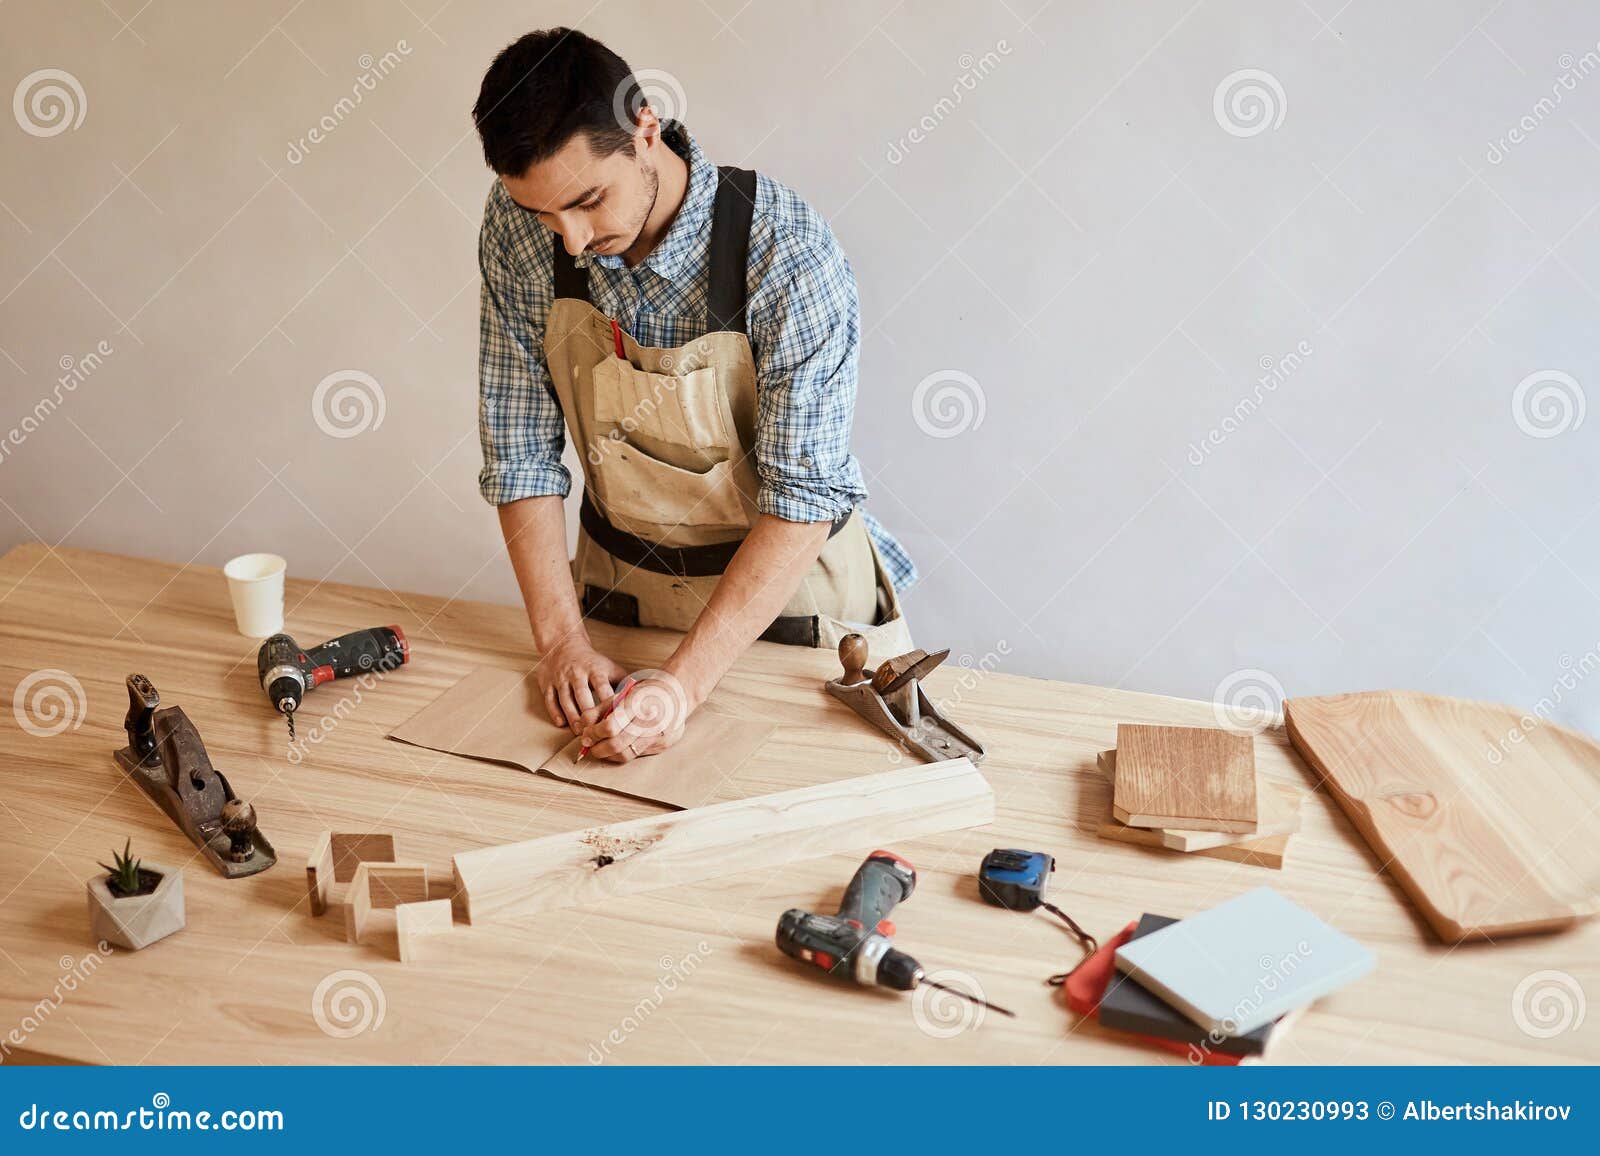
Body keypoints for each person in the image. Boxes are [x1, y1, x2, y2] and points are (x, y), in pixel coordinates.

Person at [472, 28, 915, 763]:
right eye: (545, 216)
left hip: (794, 610)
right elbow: (518, 452)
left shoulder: (786, 252)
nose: (571, 242)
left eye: (587, 202)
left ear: (645, 128)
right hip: (622, 596)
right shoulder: (522, 226)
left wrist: (683, 686)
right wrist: (561, 643)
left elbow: (803, 499)